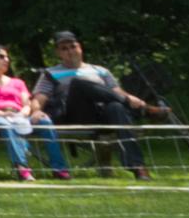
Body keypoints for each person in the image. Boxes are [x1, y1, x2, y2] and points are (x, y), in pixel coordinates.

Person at [40, 33, 146, 177]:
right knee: (78, 83)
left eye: (73, 46)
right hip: (76, 115)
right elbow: (40, 97)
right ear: (58, 53)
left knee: (117, 107)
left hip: (103, 114)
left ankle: (137, 167)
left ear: (80, 48)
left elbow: (116, 91)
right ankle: (146, 111)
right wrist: (35, 110)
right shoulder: (50, 73)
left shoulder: (100, 71)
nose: (70, 51)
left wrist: (129, 97)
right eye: (64, 48)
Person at [0, 46, 63, 178]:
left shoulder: (18, 82)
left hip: (20, 115)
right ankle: (22, 167)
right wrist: (2, 114)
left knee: (45, 122)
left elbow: (27, 103)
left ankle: (59, 168)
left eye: (7, 57)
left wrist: (24, 113)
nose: (6, 60)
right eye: (1, 56)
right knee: (7, 125)